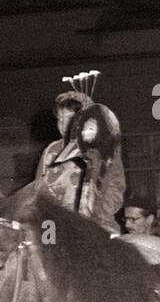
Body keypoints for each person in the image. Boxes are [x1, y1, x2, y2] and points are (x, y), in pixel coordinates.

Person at [34, 80, 125, 235]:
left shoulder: (103, 148)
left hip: (95, 223)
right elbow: (39, 191)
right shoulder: (51, 151)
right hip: (56, 224)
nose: (63, 125)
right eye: (60, 119)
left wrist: (93, 216)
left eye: (69, 118)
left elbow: (115, 190)